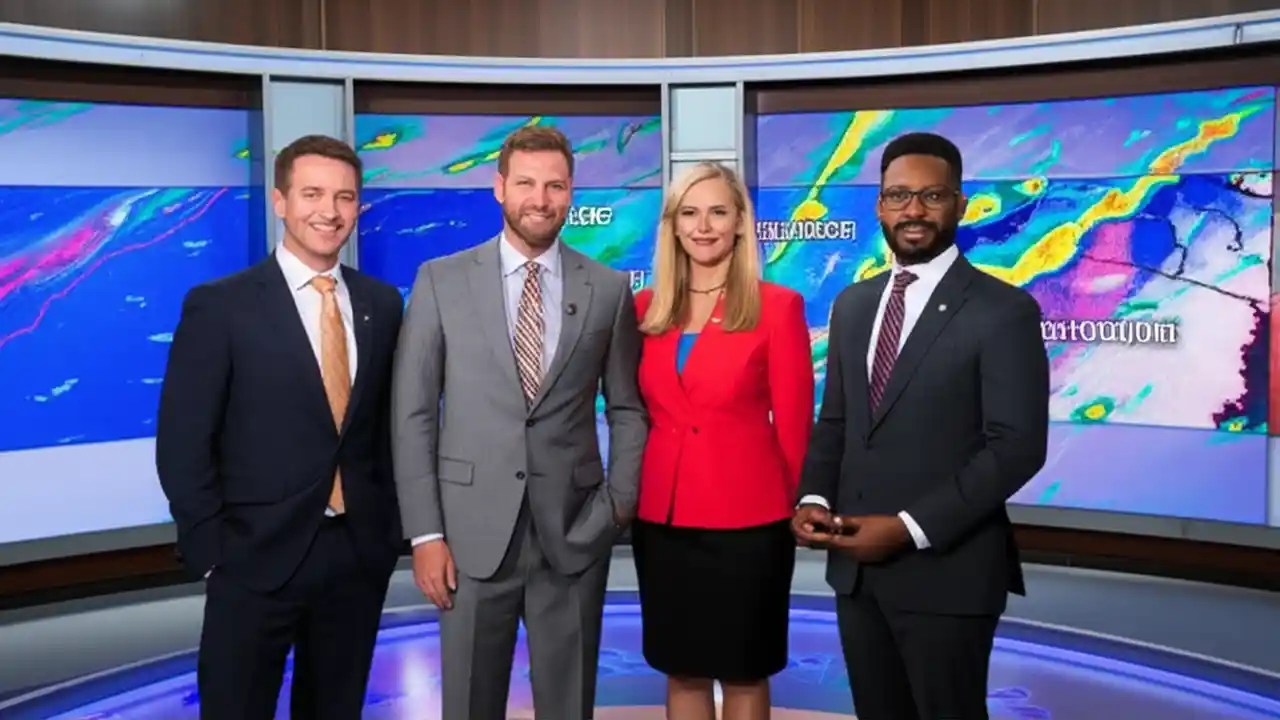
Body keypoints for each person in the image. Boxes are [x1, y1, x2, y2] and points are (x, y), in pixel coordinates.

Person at [390, 125, 647, 720]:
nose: (541, 199)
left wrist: (617, 505)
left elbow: (627, 408)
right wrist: (425, 535)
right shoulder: (440, 280)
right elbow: (413, 413)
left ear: (571, 192)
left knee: (569, 707)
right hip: (468, 540)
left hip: (575, 534)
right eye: (526, 183)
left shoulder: (608, 289)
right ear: (499, 187)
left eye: (555, 186)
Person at [791, 131, 1050, 720]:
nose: (913, 210)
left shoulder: (1003, 310)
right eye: (898, 196)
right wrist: (813, 497)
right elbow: (838, 421)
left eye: (931, 196)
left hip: (949, 578)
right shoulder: (853, 305)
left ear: (960, 204)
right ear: (880, 206)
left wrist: (908, 528)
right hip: (856, 576)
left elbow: (1016, 447)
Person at [155, 134, 406, 719]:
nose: (329, 211)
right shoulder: (221, 306)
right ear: (279, 201)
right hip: (252, 560)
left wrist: (387, 533)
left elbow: (386, 428)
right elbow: (183, 440)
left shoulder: (382, 304)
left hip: (356, 557)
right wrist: (213, 553)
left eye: (344, 197)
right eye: (312, 194)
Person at [630, 162, 813, 719]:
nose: (703, 226)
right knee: (681, 667)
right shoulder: (644, 310)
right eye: (689, 213)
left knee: (743, 669)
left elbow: (796, 423)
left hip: (749, 523)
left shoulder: (777, 307)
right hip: (664, 520)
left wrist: (803, 505)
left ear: (739, 223)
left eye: (717, 212)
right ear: (672, 226)